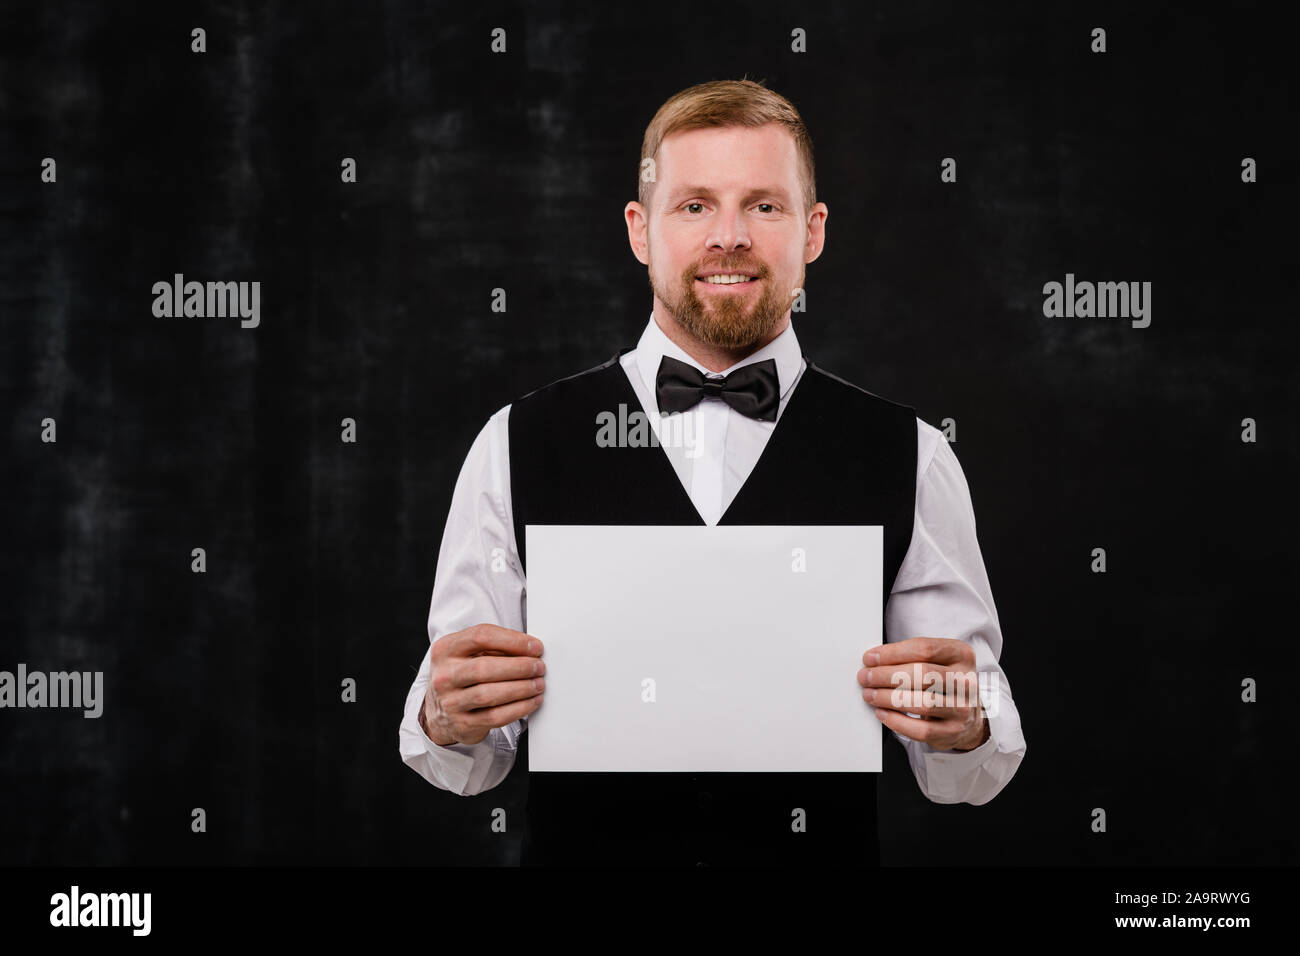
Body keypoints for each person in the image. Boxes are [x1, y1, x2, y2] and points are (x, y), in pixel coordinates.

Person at [399, 78, 1026, 866]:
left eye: (763, 205)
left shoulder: (914, 454)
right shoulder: (515, 442)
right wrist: (446, 717)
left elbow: (969, 770)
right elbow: (464, 759)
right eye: (693, 205)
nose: (728, 236)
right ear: (640, 230)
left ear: (813, 231)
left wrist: (968, 721)